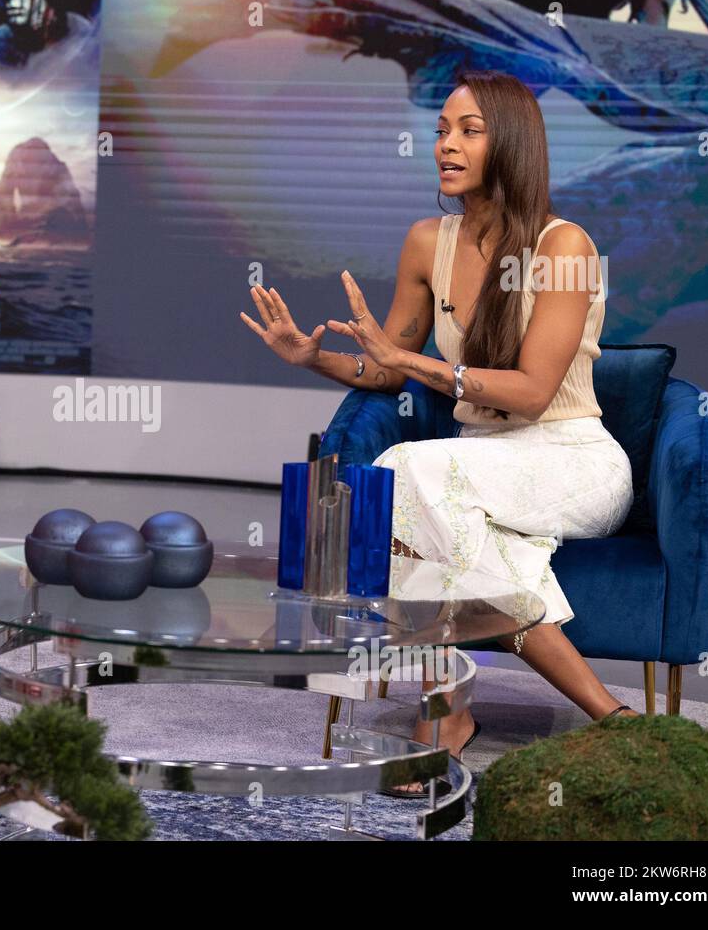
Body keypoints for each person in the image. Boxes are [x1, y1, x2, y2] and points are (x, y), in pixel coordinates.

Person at [241, 69, 639, 796]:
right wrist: (315, 356)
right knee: (428, 509)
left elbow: (533, 392)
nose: (444, 145)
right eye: (440, 130)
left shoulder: (564, 246)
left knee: (403, 475)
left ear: (509, 143)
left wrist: (412, 361)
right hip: (480, 472)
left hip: (573, 463)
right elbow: (387, 369)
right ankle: (564, 717)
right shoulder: (429, 243)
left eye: (467, 131)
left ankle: (465, 714)